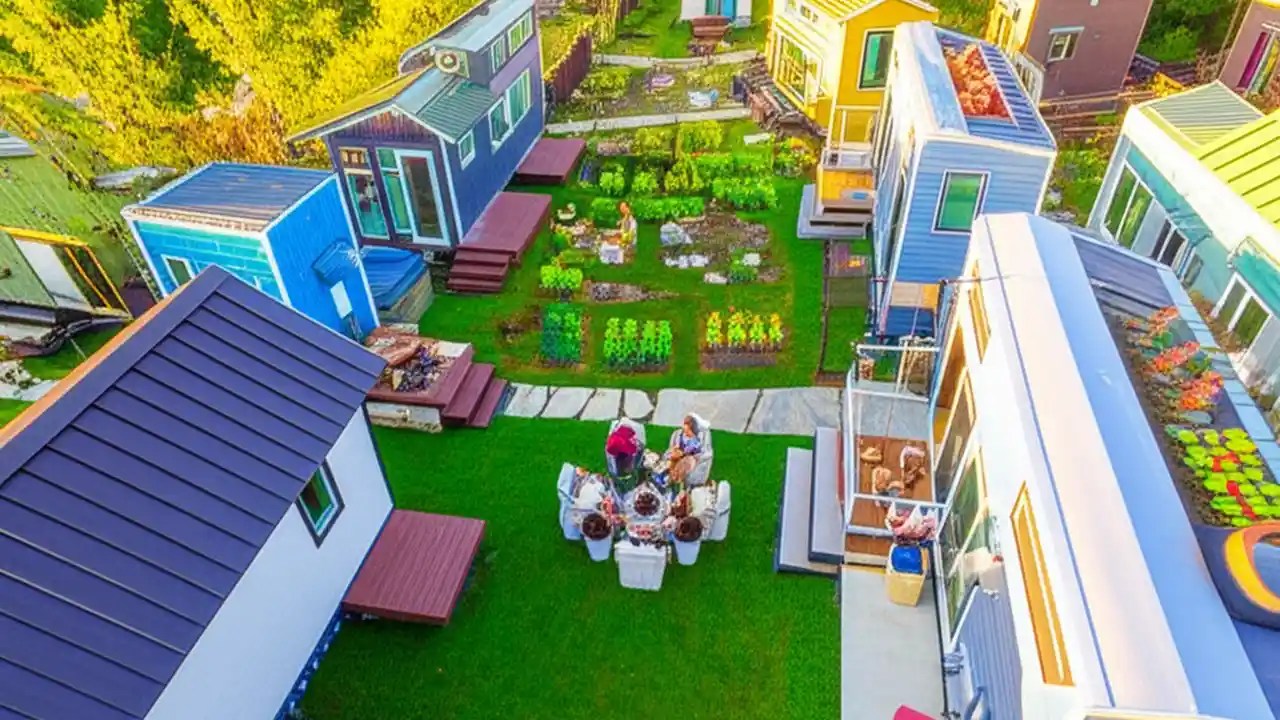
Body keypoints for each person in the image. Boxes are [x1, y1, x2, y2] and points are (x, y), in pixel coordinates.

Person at [667, 415, 703, 486]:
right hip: (680, 454)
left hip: (689, 458)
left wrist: (680, 453)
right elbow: (677, 446)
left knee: (684, 462)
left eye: (687, 430)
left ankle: (677, 478)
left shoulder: (695, 441)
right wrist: (676, 450)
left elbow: (689, 453)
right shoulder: (682, 435)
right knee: (672, 457)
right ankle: (670, 474)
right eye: (684, 429)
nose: (685, 432)